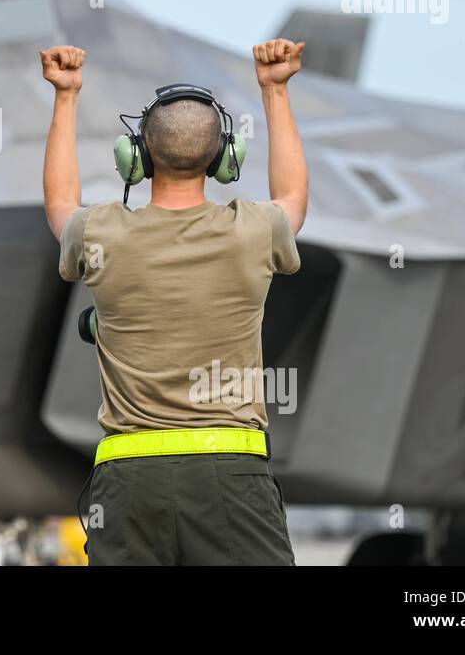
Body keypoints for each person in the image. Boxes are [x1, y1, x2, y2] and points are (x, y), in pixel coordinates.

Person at [40, 39, 309, 566]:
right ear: (225, 158)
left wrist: (66, 95)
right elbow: (294, 197)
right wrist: (275, 89)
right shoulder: (253, 231)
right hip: (231, 475)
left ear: (135, 156)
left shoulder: (100, 233)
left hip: (130, 480)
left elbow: (58, 204)